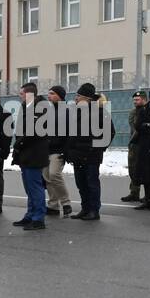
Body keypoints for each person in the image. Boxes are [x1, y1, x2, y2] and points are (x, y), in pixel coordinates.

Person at [11, 82, 49, 230]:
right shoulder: (26, 107)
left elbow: (33, 132)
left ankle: (38, 218)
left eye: (21, 94)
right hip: (26, 152)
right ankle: (30, 215)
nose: (19, 97)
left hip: (34, 153)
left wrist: (18, 144)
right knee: (29, 187)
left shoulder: (41, 108)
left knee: (35, 187)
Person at [65, 83, 105, 220]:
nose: (75, 98)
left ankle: (94, 210)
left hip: (91, 156)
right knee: (81, 183)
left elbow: (109, 133)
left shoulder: (99, 112)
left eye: (79, 96)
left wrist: (95, 149)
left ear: (87, 99)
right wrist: (69, 151)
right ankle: (85, 208)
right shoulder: (76, 112)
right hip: (77, 155)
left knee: (92, 184)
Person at [43, 85, 73, 218]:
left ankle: (66, 203)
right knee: (47, 177)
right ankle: (53, 205)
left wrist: (66, 150)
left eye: (52, 93)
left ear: (60, 96)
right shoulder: (49, 111)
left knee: (54, 174)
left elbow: (70, 133)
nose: (49, 96)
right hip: (47, 149)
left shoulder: (67, 111)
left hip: (59, 149)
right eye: (49, 93)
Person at [122, 93, 144, 203]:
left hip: (144, 144)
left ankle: (149, 194)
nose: (135, 102)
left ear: (144, 99)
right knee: (132, 169)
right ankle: (134, 192)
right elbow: (133, 127)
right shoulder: (133, 112)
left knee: (144, 169)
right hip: (134, 144)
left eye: (138, 99)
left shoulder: (146, 111)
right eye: (134, 100)